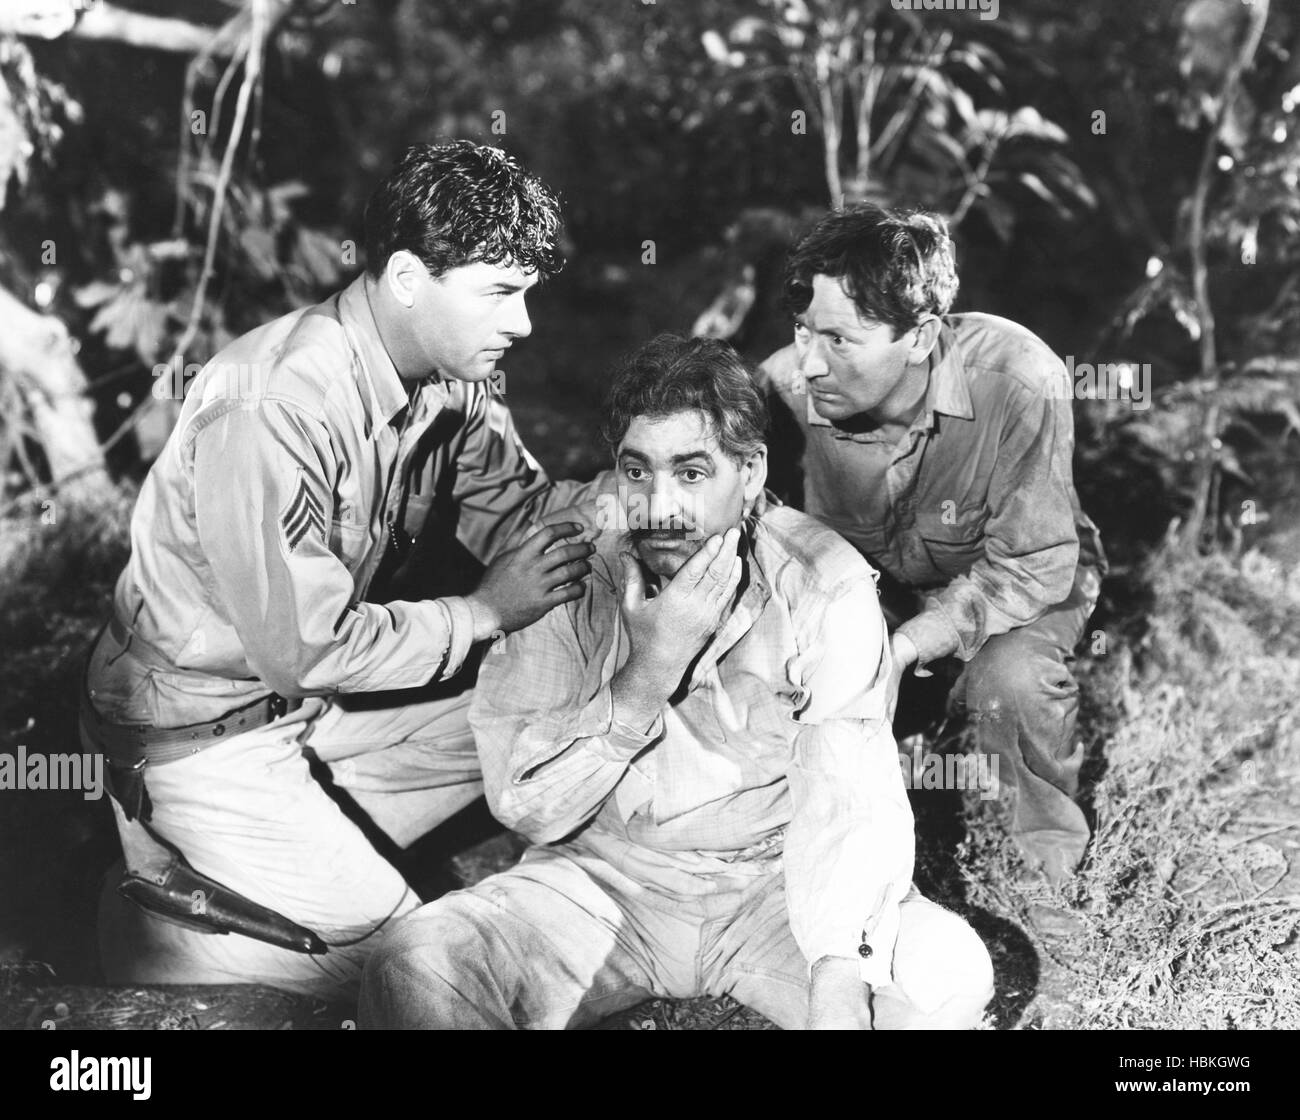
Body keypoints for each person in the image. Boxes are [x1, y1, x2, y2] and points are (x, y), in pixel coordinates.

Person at [80, 140, 604, 999]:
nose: (524, 323)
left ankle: (269, 873)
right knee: (417, 968)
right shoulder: (275, 398)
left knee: (558, 708)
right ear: (405, 277)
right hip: (200, 734)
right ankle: (154, 927)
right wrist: (480, 614)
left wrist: (646, 509)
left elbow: (527, 522)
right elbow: (306, 648)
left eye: (528, 294)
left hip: (315, 707)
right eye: (501, 293)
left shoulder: (448, 378)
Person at [358, 335, 994, 1030]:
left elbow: (845, 802)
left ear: (750, 473)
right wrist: (647, 674)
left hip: (773, 889)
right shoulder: (569, 564)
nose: (659, 505)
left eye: (691, 474)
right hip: (601, 881)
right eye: (637, 471)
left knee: (948, 974)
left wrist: (839, 974)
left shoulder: (824, 584)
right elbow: (524, 805)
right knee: (413, 962)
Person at [756, 204, 1107, 888]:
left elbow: (1031, 565)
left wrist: (907, 647)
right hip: (878, 582)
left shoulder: (1018, 380)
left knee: (1011, 684)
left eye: (838, 340)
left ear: (920, 336)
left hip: (1018, 575)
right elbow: (691, 447)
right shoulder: (784, 385)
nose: (810, 363)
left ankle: (1048, 861)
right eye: (802, 332)